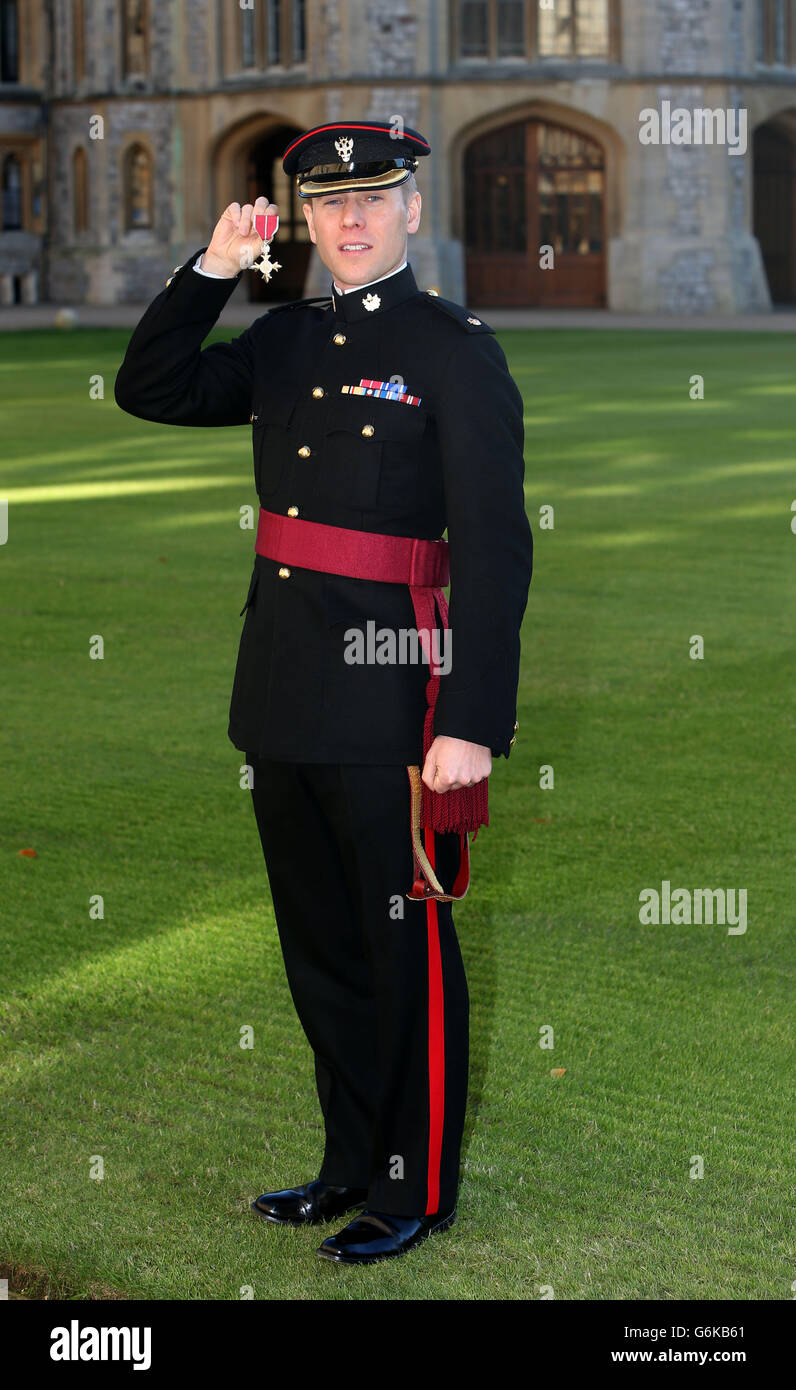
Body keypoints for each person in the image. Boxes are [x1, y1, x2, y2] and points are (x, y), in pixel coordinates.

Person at [114, 120, 533, 1265]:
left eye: (372, 199)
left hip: (396, 698)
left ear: (407, 211)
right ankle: (348, 1160)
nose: (349, 220)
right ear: (300, 219)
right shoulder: (282, 334)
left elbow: (495, 551)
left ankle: (414, 1186)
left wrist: (472, 725)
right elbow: (148, 386)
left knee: (405, 953)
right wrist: (210, 269)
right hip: (283, 694)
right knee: (323, 949)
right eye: (326, 204)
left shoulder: (452, 350)